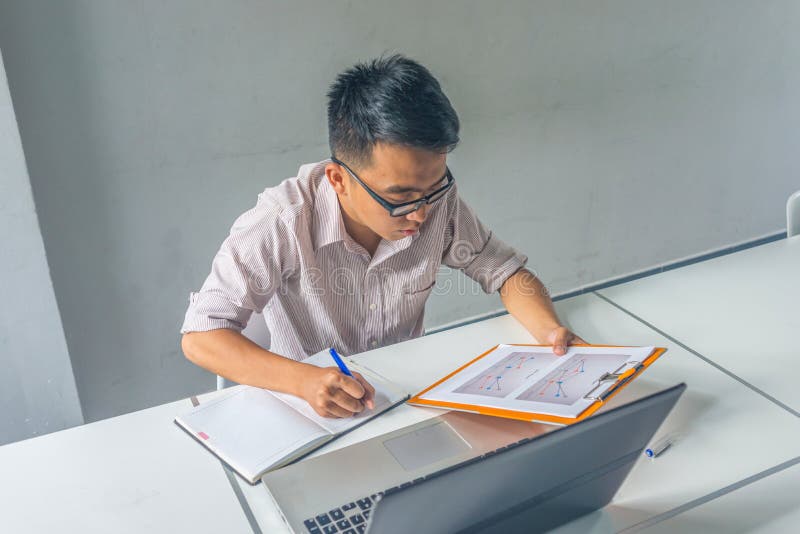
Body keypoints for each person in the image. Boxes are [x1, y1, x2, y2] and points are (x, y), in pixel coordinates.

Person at [180, 54, 585, 419]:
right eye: (401, 197)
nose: (422, 212)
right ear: (339, 179)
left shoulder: (435, 201)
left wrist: (549, 332)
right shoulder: (282, 221)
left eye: (433, 187)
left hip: (404, 396)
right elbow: (201, 336)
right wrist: (303, 381)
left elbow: (505, 270)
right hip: (309, 409)